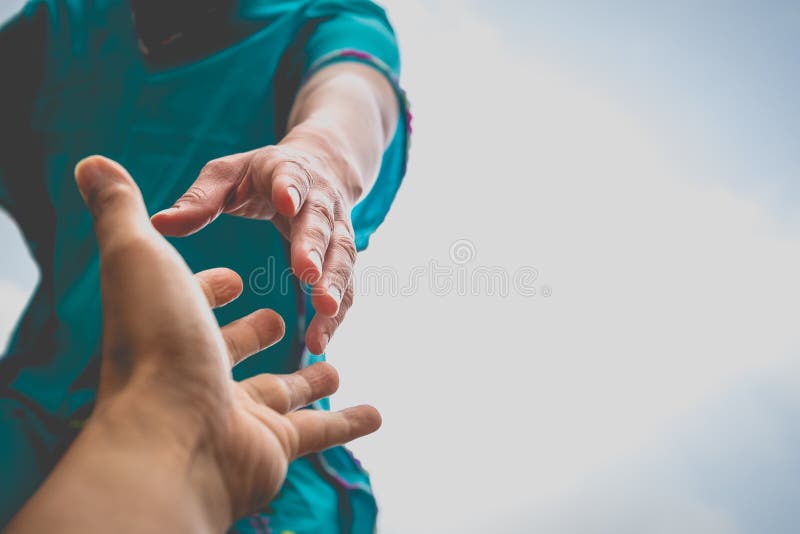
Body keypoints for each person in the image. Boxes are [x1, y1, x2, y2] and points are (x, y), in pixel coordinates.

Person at [0, 1, 409, 531]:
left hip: (252, 438)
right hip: (30, 408)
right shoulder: (58, 24)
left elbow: (356, 95)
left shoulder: (324, 18)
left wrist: (319, 156)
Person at [7, 155, 382, 533]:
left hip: (266, 439)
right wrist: (173, 436)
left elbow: (356, 103)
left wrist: (316, 151)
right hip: (44, 410)